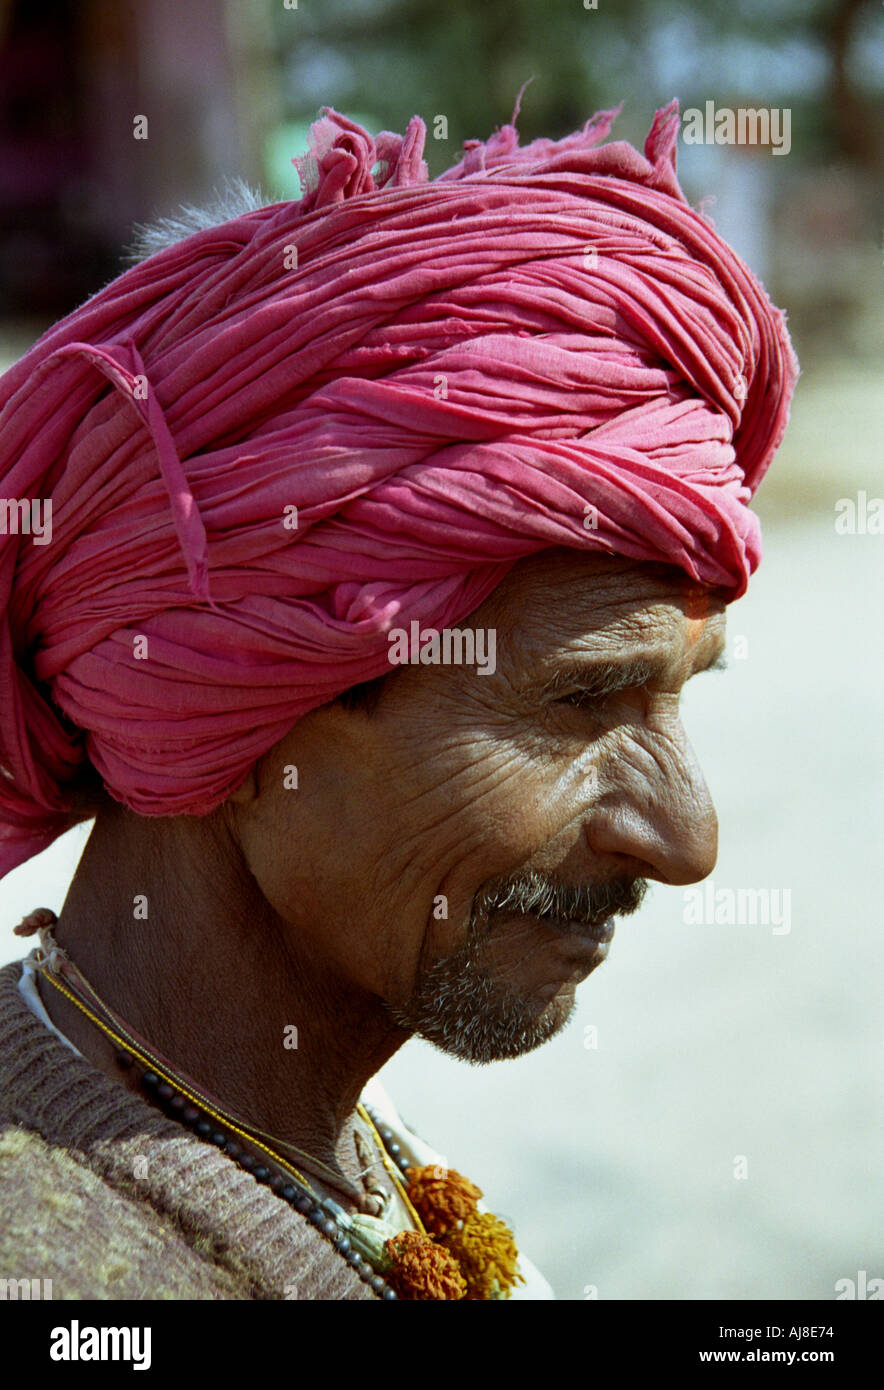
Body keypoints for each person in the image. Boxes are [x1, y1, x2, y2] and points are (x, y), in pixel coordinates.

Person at [0, 99, 797, 1300]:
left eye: (679, 697)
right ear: (243, 710)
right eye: (581, 703)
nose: (684, 843)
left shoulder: (287, 1142)